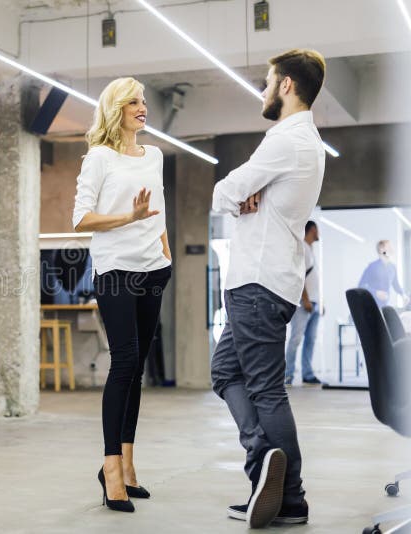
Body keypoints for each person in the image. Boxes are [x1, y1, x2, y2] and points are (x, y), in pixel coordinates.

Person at [209, 49, 327, 528]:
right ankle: (267, 466)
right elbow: (236, 194)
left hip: (258, 281)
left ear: (286, 86)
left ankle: (288, 494)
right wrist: (241, 197)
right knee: (225, 372)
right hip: (269, 280)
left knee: (265, 389)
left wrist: (238, 197)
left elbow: (222, 193)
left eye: (266, 82)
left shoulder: (285, 140)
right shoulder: (305, 141)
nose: (262, 90)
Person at [72, 77, 172, 513]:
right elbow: (81, 219)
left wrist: (166, 255)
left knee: (137, 372)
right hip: (115, 271)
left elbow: (160, 210)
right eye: (133, 101)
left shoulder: (155, 155)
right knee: (125, 362)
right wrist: (128, 218)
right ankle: (110, 468)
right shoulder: (99, 157)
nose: (142, 106)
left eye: (144, 100)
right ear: (116, 109)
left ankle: (129, 467)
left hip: (154, 270)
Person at [285, 221, 322, 386]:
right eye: (317, 230)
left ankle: (307, 374)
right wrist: (305, 299)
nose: (318, 232)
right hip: (304, 302)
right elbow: (299, 276)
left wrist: (320, 303)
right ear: (312, 230)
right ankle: (287, 375)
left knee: (311, 340)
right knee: (296, 339)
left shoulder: (311, 250)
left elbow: (313, 279)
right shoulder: (303, 249)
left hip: (314, 302)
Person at [358, 240, 408, 308]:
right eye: (388, 247)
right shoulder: (372, 267)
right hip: (371, 304)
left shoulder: (392, 267)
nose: (391, 249)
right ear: (381, 250)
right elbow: (361, 286)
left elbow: (396, 285)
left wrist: (403, 295)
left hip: (384, 305)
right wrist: (376, 293)